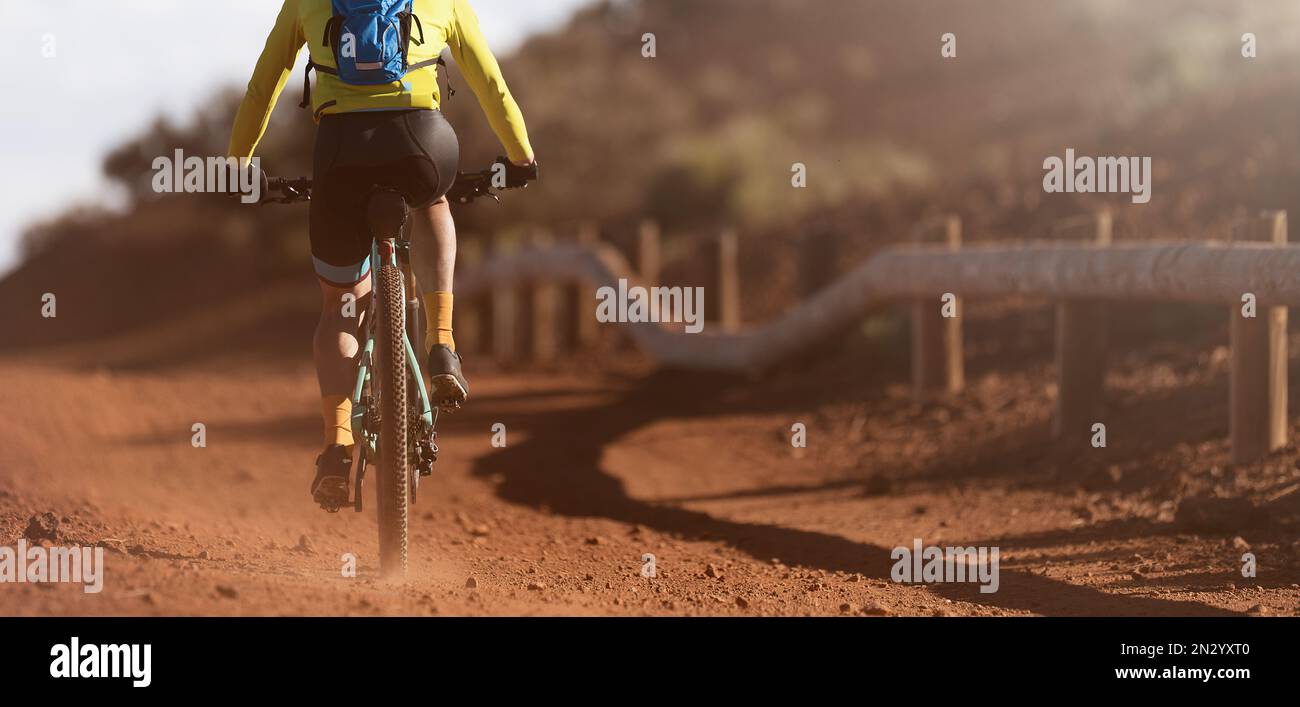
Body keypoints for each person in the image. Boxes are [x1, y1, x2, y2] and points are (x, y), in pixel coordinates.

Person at [227, 0, 536, 509]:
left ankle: (338, 443)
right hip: (422, 144)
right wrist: (521, 155)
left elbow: (263, 84)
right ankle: (442, 344)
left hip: (340, 155)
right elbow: (488, 79)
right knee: (434, 200)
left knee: (339, 306)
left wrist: (238, 165)